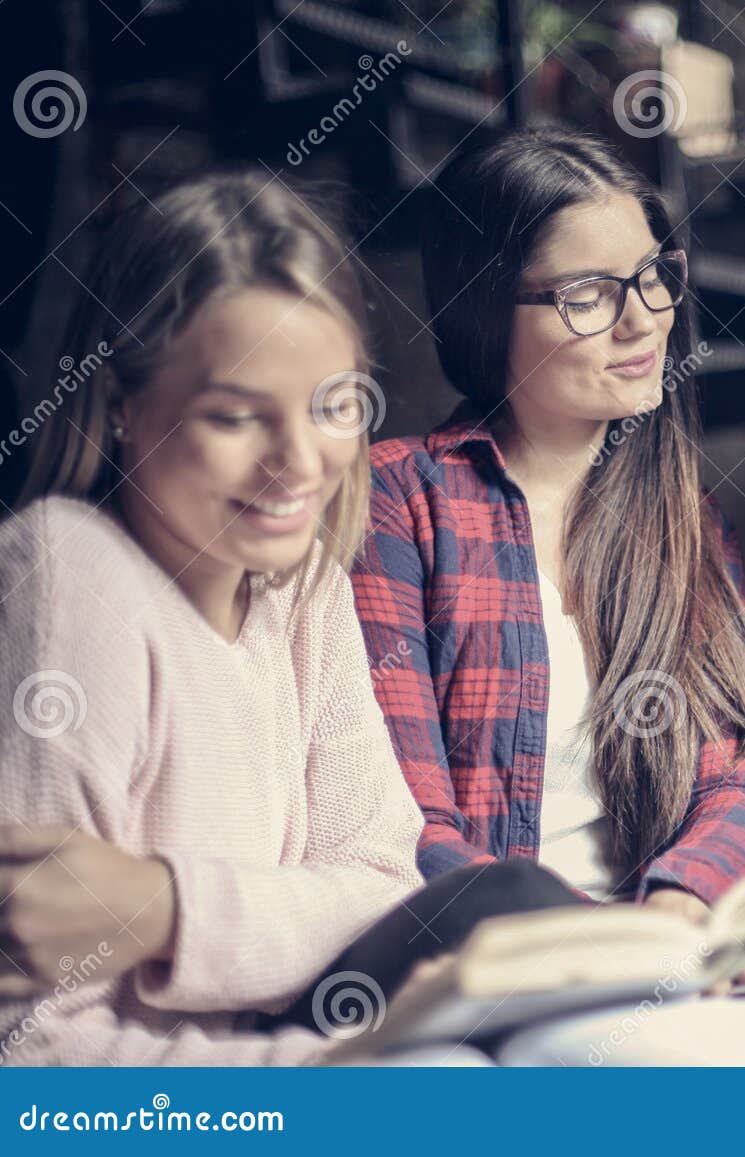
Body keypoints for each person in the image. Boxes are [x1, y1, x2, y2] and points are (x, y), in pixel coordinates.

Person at [0, 174, 578, 1066]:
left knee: (515, 918)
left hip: (292, 1046)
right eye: (237, 416)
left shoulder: (300, 586)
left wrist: (165, 909)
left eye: (335, 405)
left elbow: (382, 878)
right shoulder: (69, 573)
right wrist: (332, 1072)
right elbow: (35, 1048)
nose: (299, 464)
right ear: (119, 404)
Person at [351, 128, 745, 986]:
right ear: (486, 311)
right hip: (490, 972)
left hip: (667, 953)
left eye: (653, 275)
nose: (643, 319)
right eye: (588, 294)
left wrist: (679, 910)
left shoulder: (686, 519)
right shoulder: (398, 503)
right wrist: (625, 949)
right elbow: (407, 823)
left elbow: (734, 777)